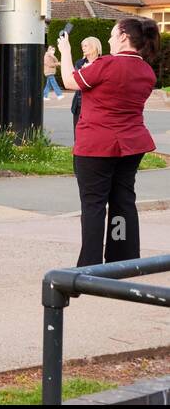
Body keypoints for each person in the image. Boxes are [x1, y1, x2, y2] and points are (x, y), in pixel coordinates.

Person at [59, 17, 160, 267]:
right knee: (123, 200)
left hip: (96, 143)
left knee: (93, 204)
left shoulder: (108, 64)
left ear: (124, 36)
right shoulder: (146, 71)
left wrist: (65, 52)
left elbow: (71, 81)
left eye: (113, 35)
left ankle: (90, 265)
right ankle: (122, 259)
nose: (109, 40)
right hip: (132, 143)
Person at [70, 36, 103, 136]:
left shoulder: (102, 62)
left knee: (95, 134)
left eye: (85, 45)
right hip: (79, 103)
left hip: (97, 104)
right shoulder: (80, 63)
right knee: (78, 133)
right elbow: (74, 79)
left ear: (94, 46)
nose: (83, 48)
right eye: (82, 46)